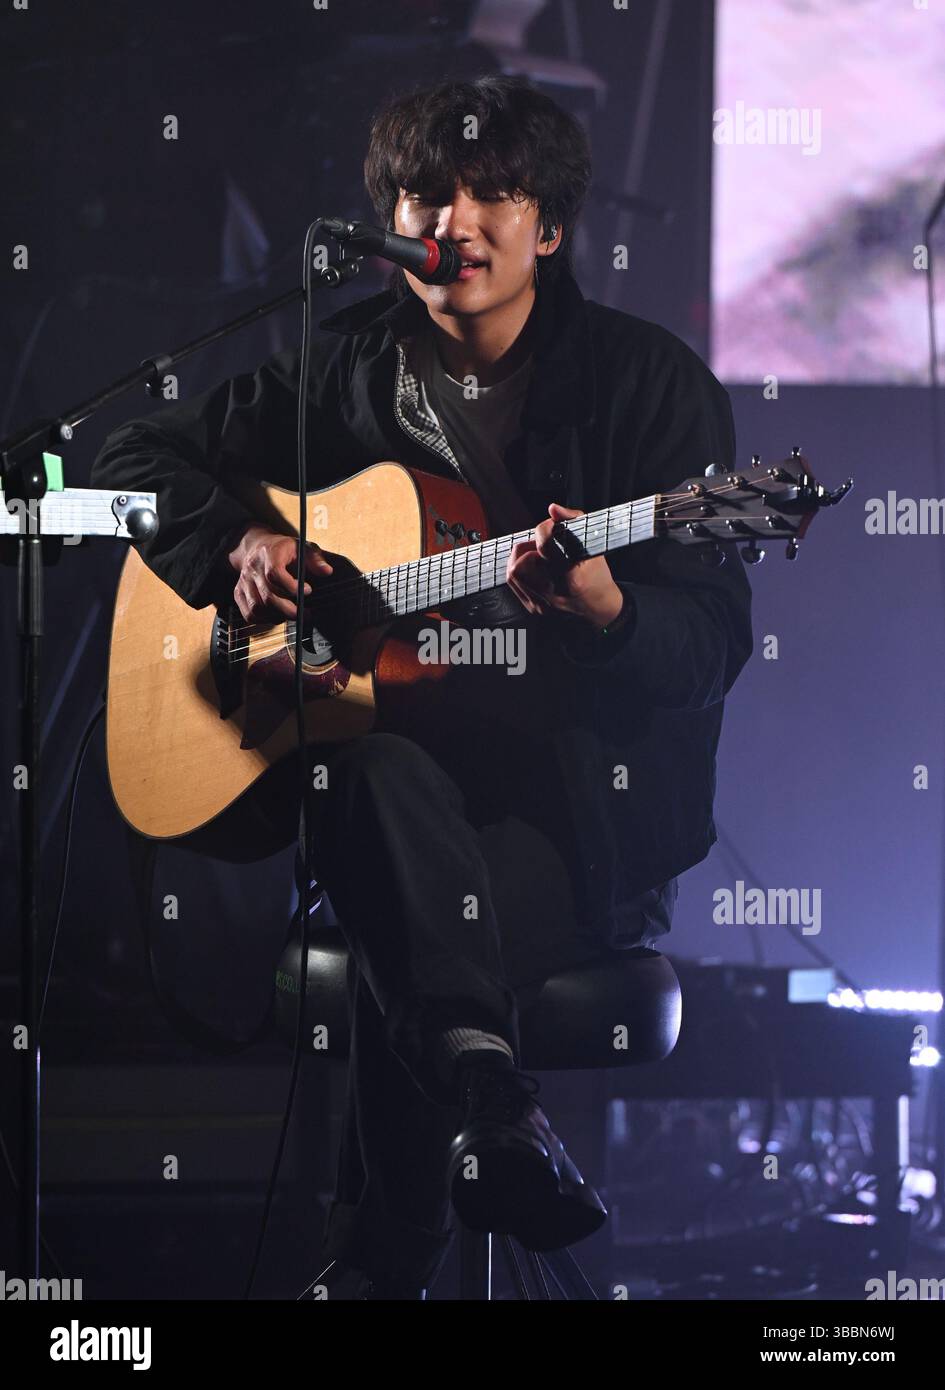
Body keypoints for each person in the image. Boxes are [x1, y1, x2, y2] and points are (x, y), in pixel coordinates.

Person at [91, 74, 753, 1299]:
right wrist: (235, 546)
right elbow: (134, 453)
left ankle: (381, 1256)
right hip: (393, 802)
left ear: (547, 228)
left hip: (576, 819)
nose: (454, 217)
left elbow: (706, 647)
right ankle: (492, 1111)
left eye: (492, 193)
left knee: (416, 925)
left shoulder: (650, 390)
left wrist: (605, 612)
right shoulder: (345, 373)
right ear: (390, 219)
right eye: (425, 192)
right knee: (376, 772)